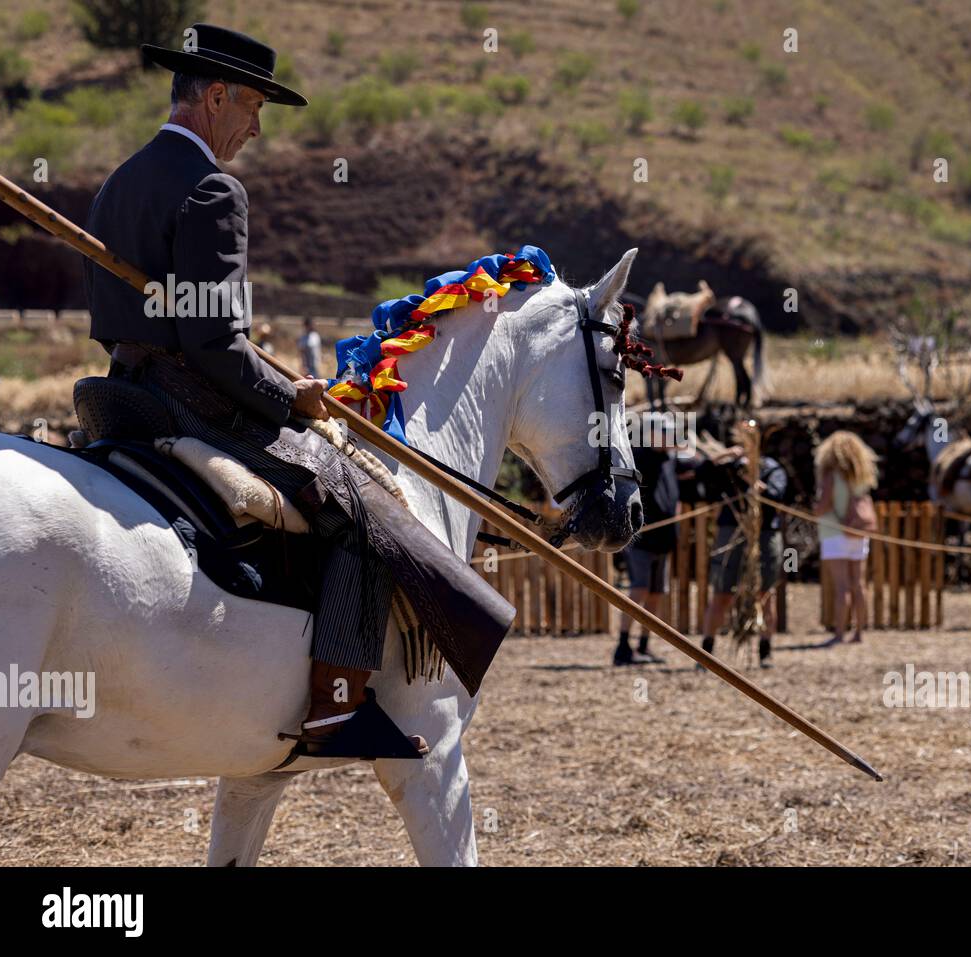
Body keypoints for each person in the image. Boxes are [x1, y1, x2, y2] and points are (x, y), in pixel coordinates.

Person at [81, 23, 513, 761]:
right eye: (252, 108)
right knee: (355, 505)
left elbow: (157, 322)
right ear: (215, 97)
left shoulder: (120, 180)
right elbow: (215, 347)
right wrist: (292, 400)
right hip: (194, 396)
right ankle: (335, 703)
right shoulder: (213, 189)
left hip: (126, 388)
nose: (254, 128)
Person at [696, 440, 788, 668]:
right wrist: (725, 455)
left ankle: (765, 652)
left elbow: (777, 495)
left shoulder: (771, 468)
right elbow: (701, 472)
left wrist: (752, 480)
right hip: (731, 532)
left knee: (765, 593)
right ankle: (706, 651)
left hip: (765, 533)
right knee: (721, 593)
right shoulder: (729, 466)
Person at [614, 412, 679, 666]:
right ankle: (622, 646)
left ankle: (643, 646)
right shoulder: (638, 458)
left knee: (655, 593)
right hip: (641, 539)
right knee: (639, 590)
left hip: (663, 539)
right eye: (666, 433)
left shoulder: (669, 460)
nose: (671, 438)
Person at [813, 430, 879, 645]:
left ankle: (840, 633)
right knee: (858, 585)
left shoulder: (830, 474)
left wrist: (813, 511)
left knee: (842, 587)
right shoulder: (861, 475)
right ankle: (859, 632)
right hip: (858, 532)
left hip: (835, 533)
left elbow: (824, 505)